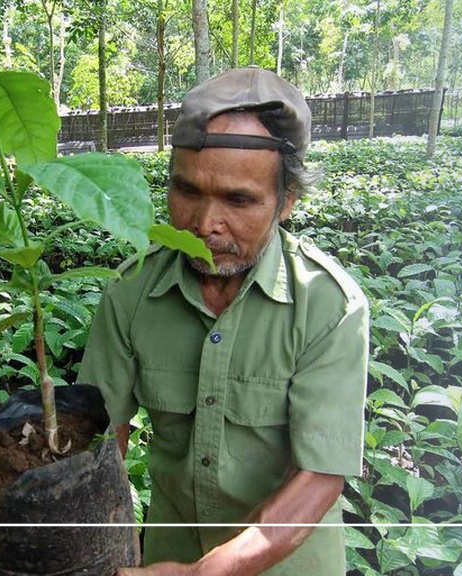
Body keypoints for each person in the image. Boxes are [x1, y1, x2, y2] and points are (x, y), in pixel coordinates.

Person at [78, 67, 369, 575]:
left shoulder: (329, 306)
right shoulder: (132, 291)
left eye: (238, 201)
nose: (205, 224)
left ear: (285, 203)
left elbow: (321, 475)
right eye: (187, 192)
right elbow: (106, 438)